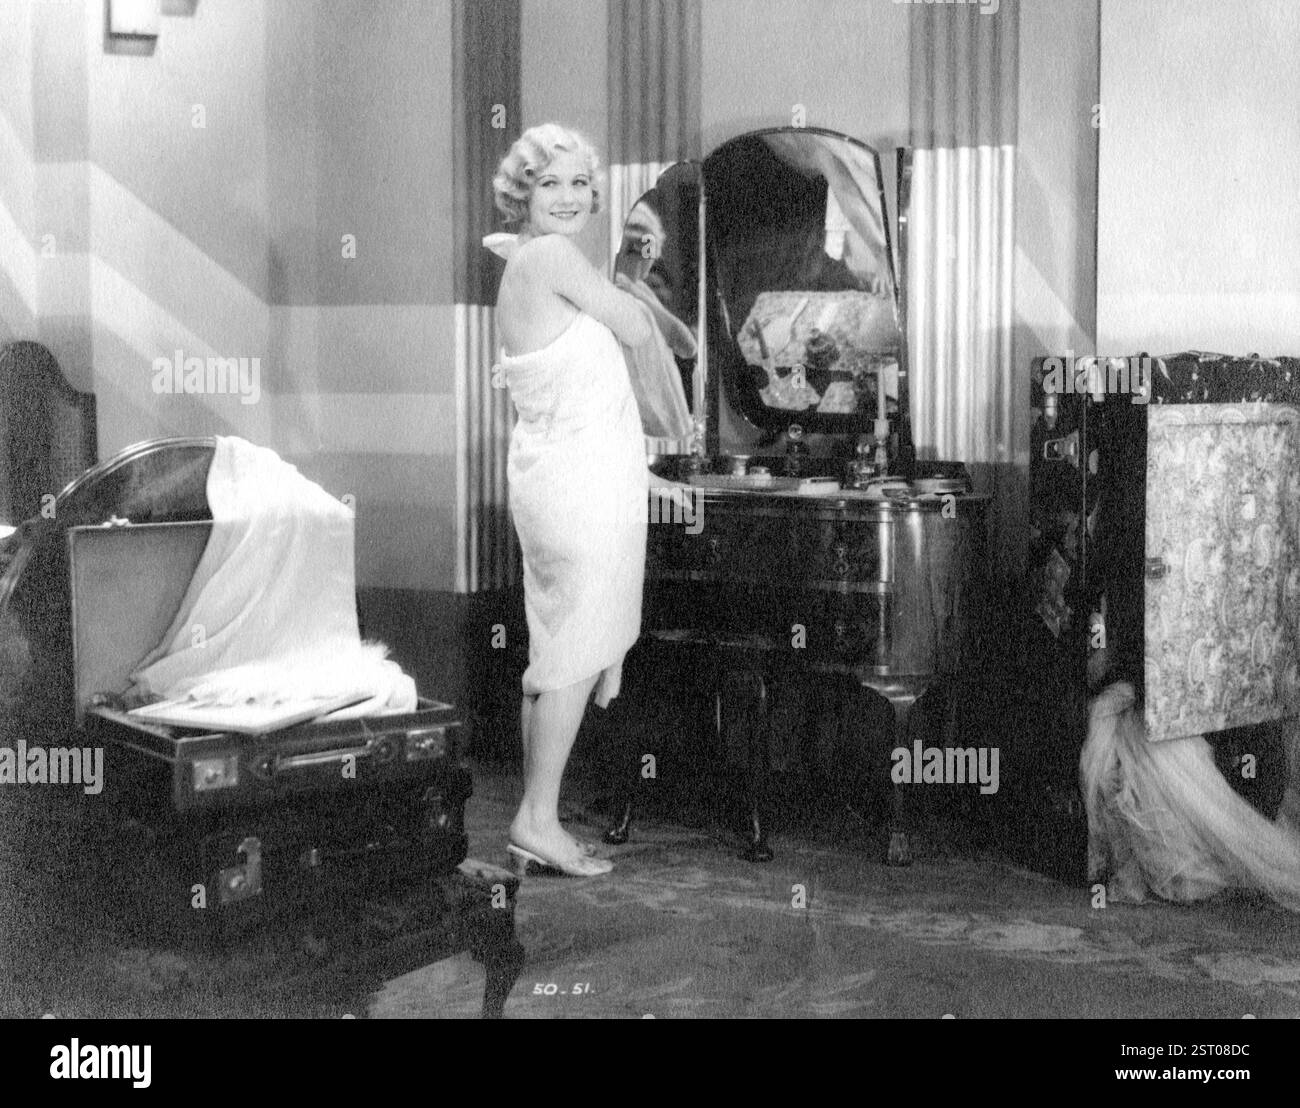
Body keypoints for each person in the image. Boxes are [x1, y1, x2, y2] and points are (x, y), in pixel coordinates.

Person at [487, 124, 652, 877]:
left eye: (581, 183)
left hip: (556, 480)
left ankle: (535, 815)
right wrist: (630, 292)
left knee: (555, 655)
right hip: (577, 488)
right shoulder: (552, 257)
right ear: (523, 192)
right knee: (576, 651)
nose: (569, 197)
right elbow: (639, 329)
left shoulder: (525, 261)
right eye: (550, 182)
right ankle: (539, 818)